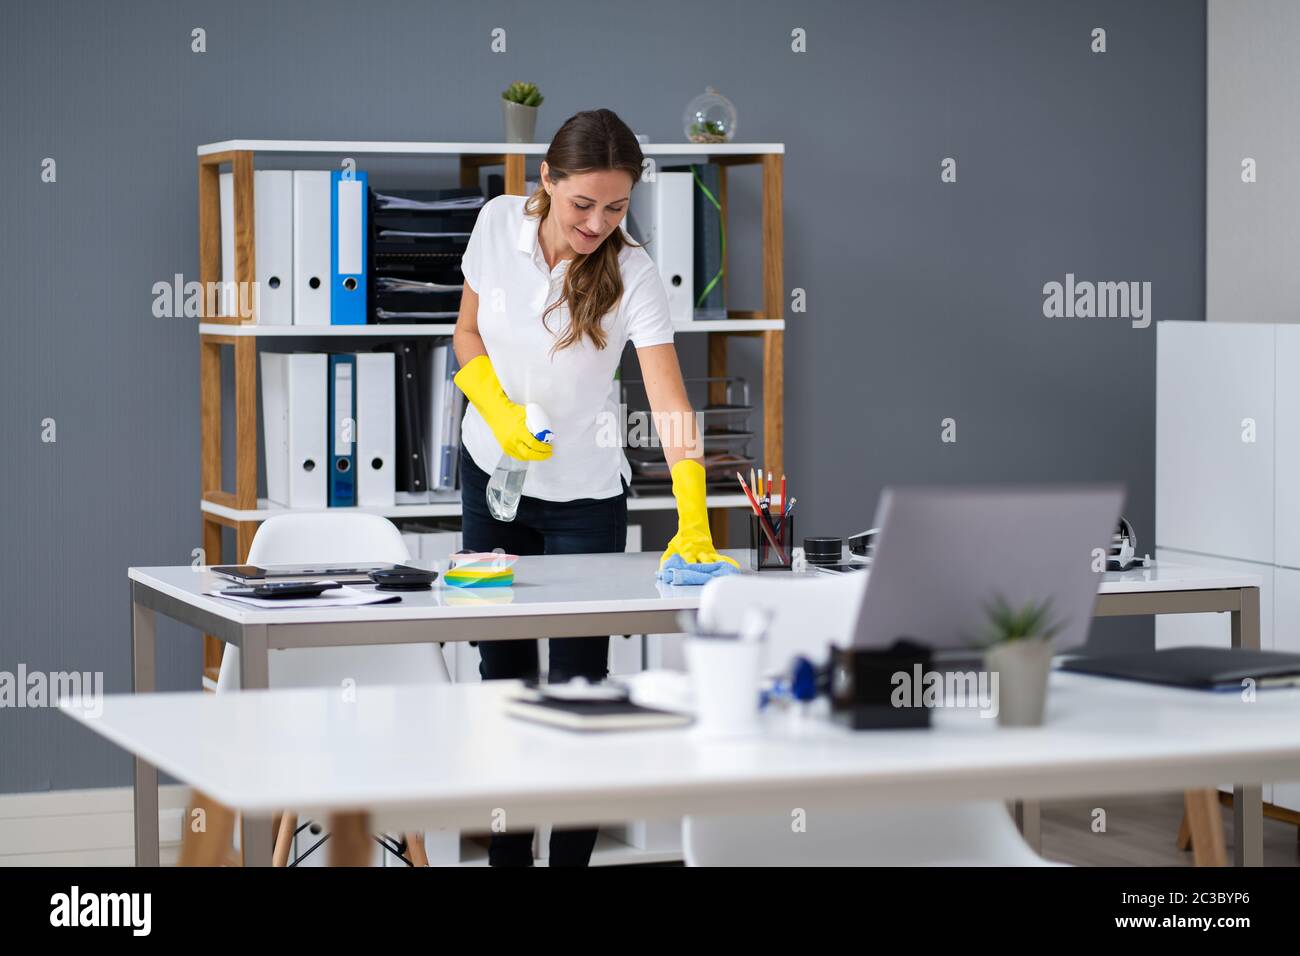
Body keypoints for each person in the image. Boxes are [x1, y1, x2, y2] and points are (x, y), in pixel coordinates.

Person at [452, 108, 738, 866]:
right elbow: (465, 334)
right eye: (584, 204)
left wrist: (694, 517)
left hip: (584, 496)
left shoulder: (632, 270)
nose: (598, 224)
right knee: (502, 680)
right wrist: (497, 408)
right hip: (491, 479)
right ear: (546, 182)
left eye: (616, 208)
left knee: (583, 691)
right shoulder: (493, 225)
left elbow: (671, 403)